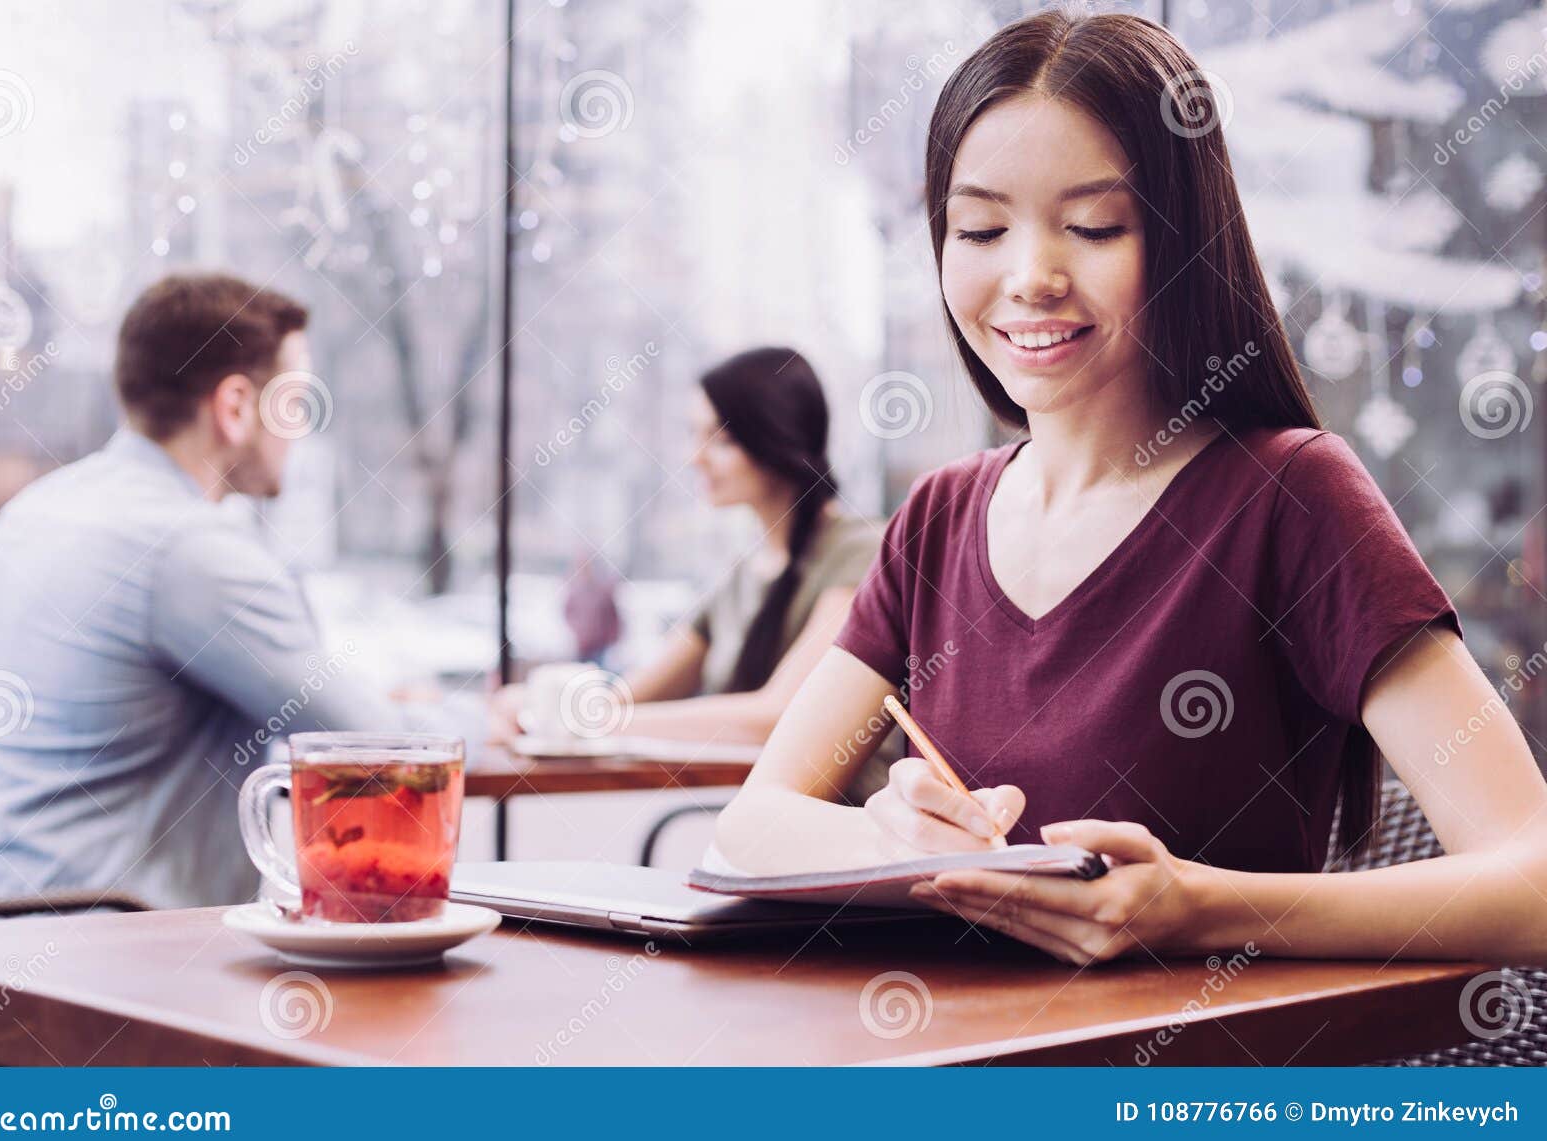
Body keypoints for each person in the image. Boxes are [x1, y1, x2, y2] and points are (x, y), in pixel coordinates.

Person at [715, 10, 1547, 967]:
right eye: (982, 227)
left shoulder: (1290, 495)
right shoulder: (938, 519)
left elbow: (1530, 884)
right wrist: (896, 838)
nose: (1030, 277)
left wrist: (1201, 907)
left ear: (1187, 240)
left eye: (1094, 227)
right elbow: (750, 826)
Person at [0, 273, 427, 910]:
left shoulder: (36, 510)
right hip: (112, 960)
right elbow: (376, 748)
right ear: (234, 407)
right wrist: (508, 719)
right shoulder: (188, 549)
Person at [491, 348, 886, 778]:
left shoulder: (862, 552)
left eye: (723, 439)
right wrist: (541, 707)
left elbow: (776, 719)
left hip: (851, 823)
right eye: (697, 435)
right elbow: (631, 697)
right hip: (766, 821)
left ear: (775, 438)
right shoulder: (745, 572)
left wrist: (585, 724)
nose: (695, 457)